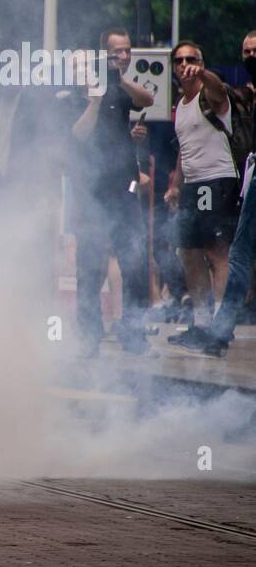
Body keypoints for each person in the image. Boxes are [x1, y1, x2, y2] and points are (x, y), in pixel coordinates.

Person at [67, 28, 156, 357]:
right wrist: (94, 100)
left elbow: (147, 99)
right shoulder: (78, 93)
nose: (122, 57)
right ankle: (89, 334)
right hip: (90, 189)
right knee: (90, 263)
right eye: (115, 52)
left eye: (126, 51)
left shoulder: (121, 88)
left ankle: (133, 331)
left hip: (124, 184)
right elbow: (78, 135)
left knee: (133, 259)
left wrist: (118, 81)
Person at [173, 30, 256, 355]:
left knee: (218, 252)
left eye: (191, 60)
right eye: (179, 61)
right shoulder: (180, 104)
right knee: (189, 252)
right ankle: (202, 322)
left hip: (218, 180)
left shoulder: (210, 97)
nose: (185, 66)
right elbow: (184, 149)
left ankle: (222, 325)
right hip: (193, 185)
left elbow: (219, 89)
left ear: (202, 63)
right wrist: (175, 185)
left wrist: (204, 74)